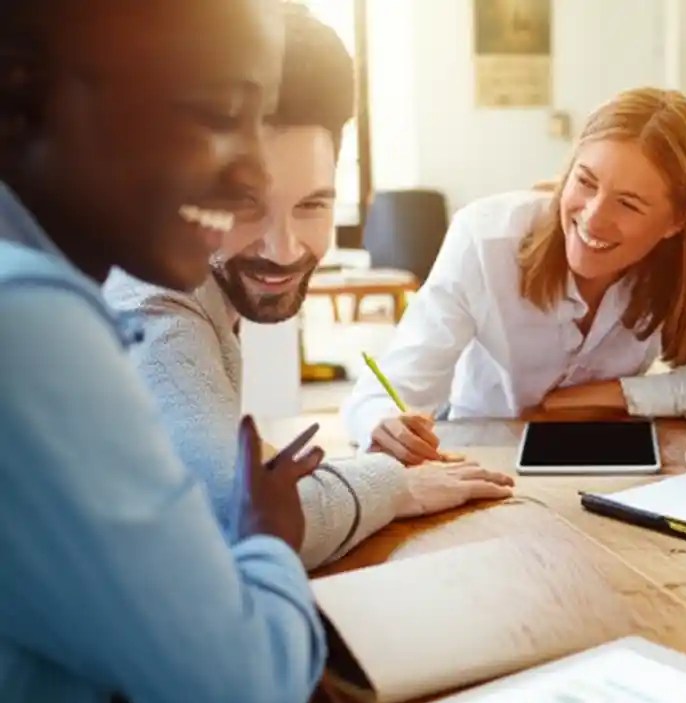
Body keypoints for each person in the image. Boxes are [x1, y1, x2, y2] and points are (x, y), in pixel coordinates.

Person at [0, 1, 327, 703]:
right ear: (22, 93)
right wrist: (270, 538)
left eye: (259, 115)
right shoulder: (31, 328)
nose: (252, 170)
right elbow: (244, 692)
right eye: (214, 113)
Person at [105, 4, 514, 571]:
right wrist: (394, 485)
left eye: (313, 204)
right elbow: (251, 522)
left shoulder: (196, 282)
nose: (284, 248)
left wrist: (382, 480)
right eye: (246, 203)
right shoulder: (154, 306)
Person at [341, 87, 686, 463]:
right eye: (585, 182)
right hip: (486, 446)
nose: (594, 219)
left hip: (610, 449)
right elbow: (384, 391)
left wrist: (616, 396)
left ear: (677, 221)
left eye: (628, 204)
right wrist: (384, 422)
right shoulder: (485, 238)